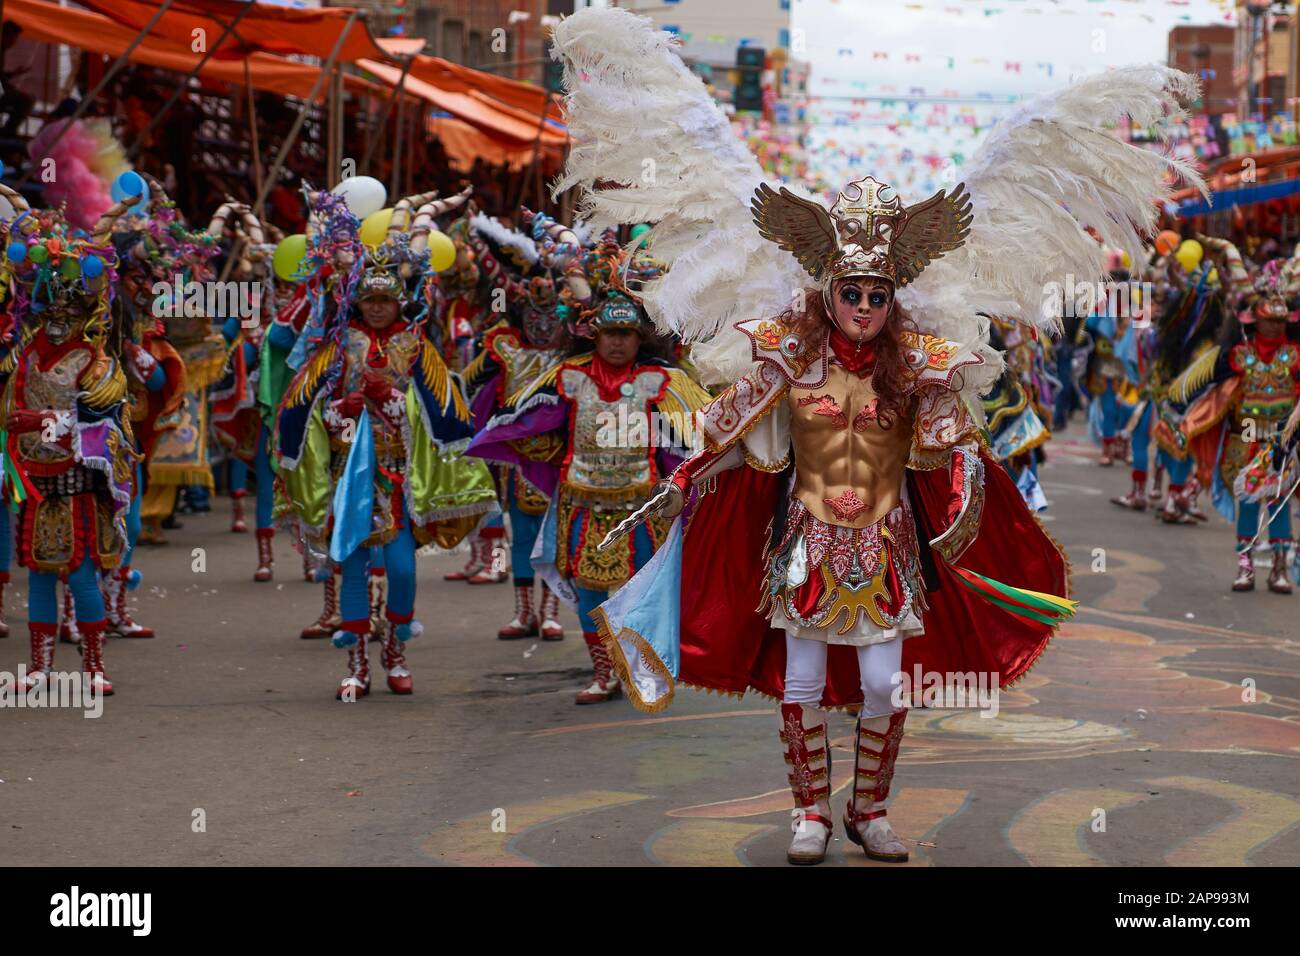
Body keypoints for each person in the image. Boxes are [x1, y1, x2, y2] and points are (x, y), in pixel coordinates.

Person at [546, 2, 1200, 865]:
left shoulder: (921, 364)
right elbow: (731, 423)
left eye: (876, 294)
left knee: (890, 683)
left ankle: (872, 809)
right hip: (808, 543)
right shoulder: (787, 354)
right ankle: (811, 814)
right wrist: (686, 477)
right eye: (849, 291)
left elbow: (950, 447)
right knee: (808, 679)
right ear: (827, 291)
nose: (861, 306)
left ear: (895, 297)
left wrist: (968, 480)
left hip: (887, 544)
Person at [276, 188, 498, 699]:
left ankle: (395, 649)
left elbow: (445, 411)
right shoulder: (336, 346)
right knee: (350, 565)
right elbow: (301, 406)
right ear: (357, 302)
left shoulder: (416, 347)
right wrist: (339, 413)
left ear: (398, 302)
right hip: (348, 478)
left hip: (399, 476)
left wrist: (393, 402)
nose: (376, 309)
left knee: (401, 568)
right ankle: (357, 664)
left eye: (385, 300)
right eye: (369, 300)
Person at [0, 187, 138, 694]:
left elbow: (101, 429)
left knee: (80, 574)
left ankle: (94, 668)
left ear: (85, 318)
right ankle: (38, 668)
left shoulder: (99, 364)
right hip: (36, 483)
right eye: (49, 315)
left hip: (79, 485)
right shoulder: (26, 357)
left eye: (68, 316)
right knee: (38, 575)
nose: (57, 324)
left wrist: (40, 423)